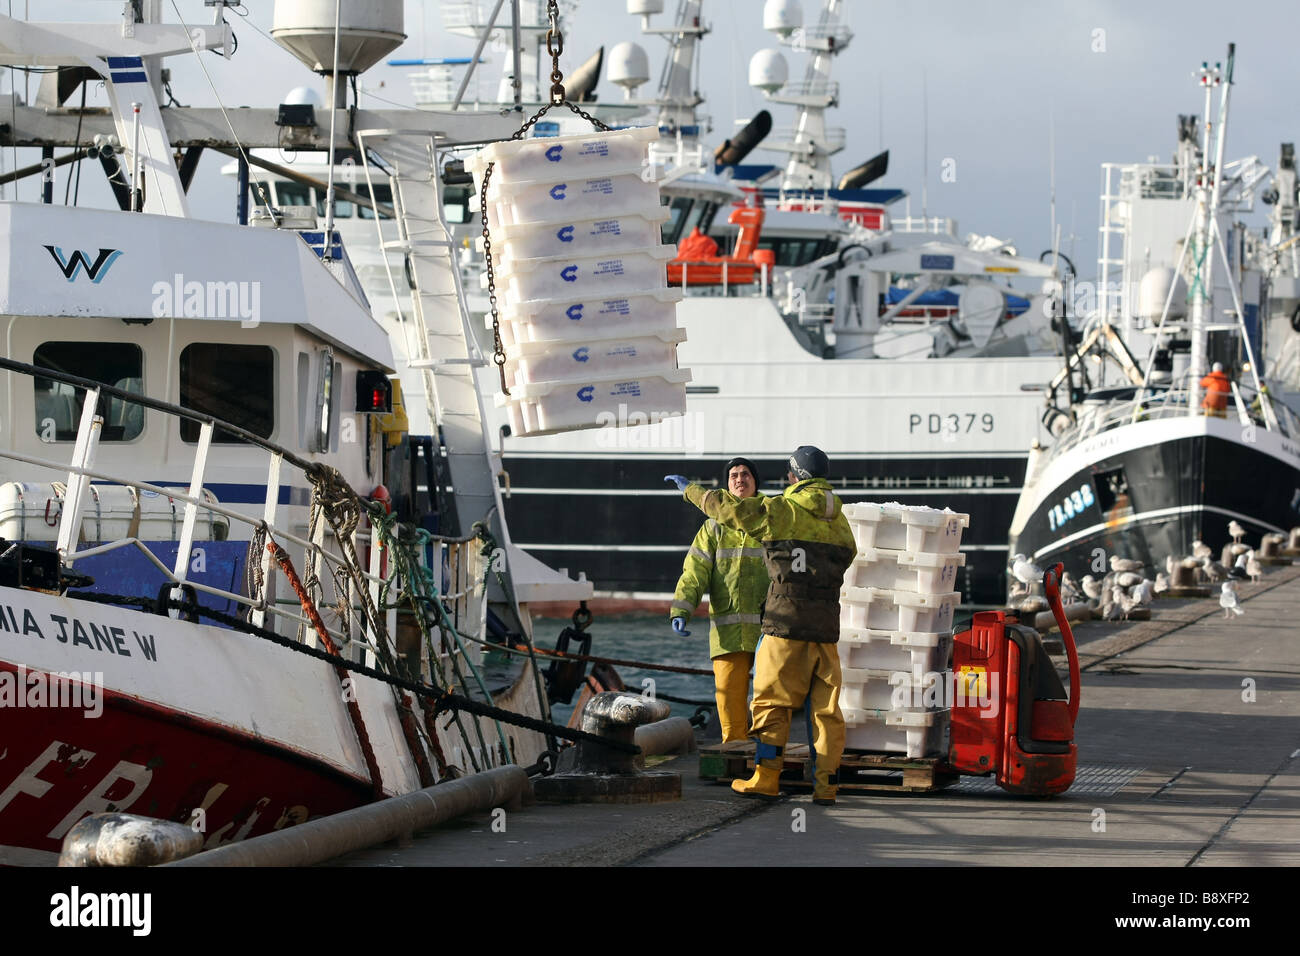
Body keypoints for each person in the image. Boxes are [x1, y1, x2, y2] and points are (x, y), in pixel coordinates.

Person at [665, 445, 857, 805]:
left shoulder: (782, 511)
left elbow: (730, 510)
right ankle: (827, 785)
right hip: (826, 628)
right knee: (827, 712)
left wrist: (691, 491)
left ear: (793, 476)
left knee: (769, 703)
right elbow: (848, 557)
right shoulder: (840, 522)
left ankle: (766, 777)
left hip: (784, 625)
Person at [669, 458, 768, 745]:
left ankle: (767, 753)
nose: (739, 479)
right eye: (734, 475)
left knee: (768, 695)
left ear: (755, 482)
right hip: (727, 631)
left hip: (767, 629)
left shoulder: (769, 520)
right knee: (728, 695)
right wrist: (682, 609)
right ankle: (736, 749)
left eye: (746, 474)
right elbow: (694, 573)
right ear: (727, 484)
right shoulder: (712, 529)